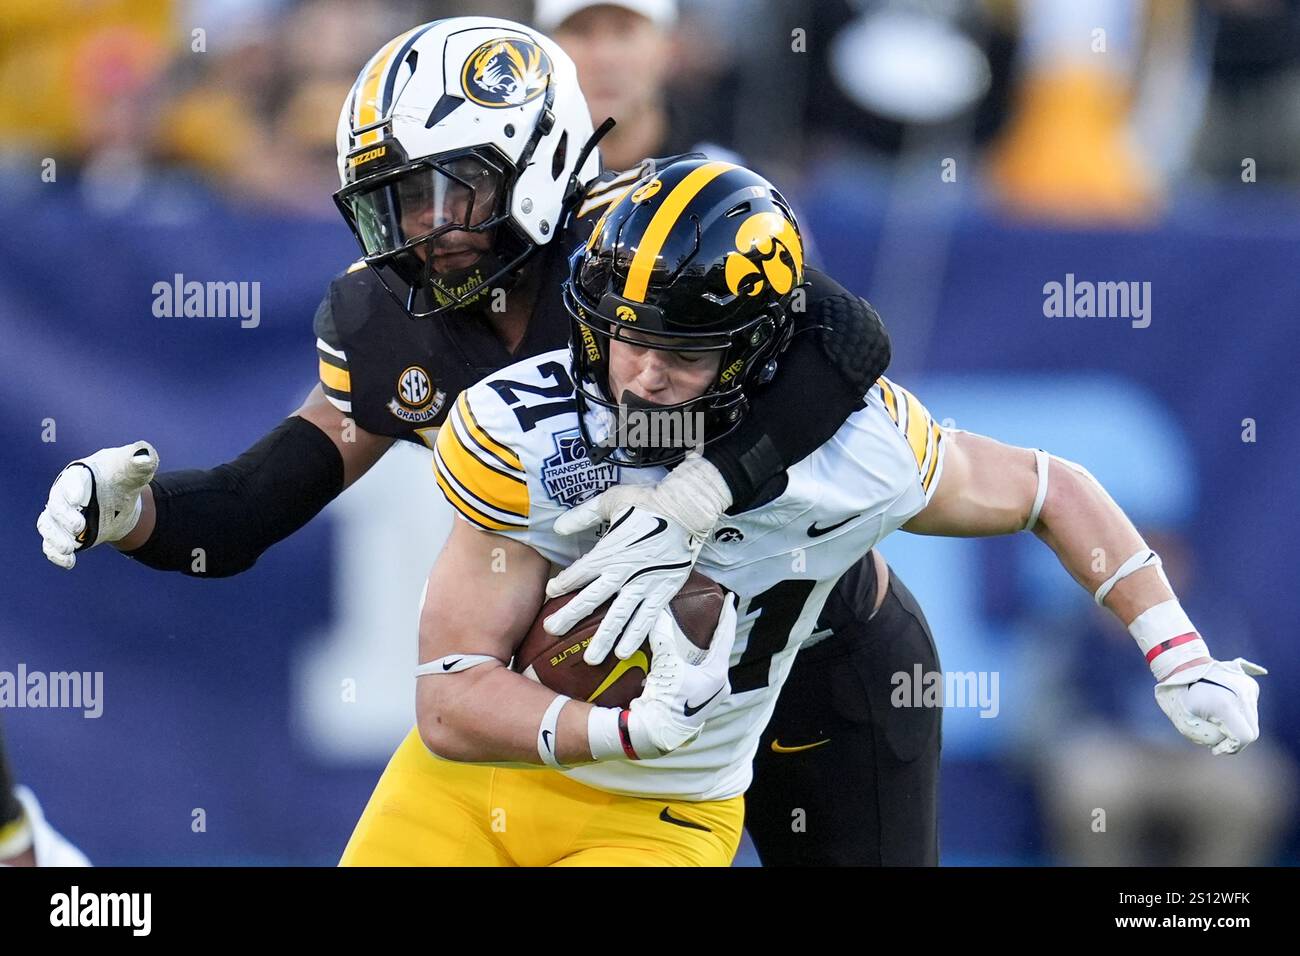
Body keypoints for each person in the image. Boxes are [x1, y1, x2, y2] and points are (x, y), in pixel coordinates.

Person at [35, 17, 904, 865]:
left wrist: (704, 488)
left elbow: (850, 342)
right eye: (403, 200)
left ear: (543, 159)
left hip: (809, 646)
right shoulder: (393, 326)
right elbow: (250, 508)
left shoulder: (643, 240)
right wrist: (139, 514)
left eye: (454, 190)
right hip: (610, 692)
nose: (428, 227)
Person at [340, 159, 1266, 867]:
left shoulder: (853, 454)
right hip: (476, 783)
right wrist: (622, 726)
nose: (643, 373)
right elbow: (449, 698)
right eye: (624, 335)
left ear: (754, 351)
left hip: (663, 805)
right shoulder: (524, 428)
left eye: (684, 351)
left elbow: (1049, 489)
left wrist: (1177, 653)